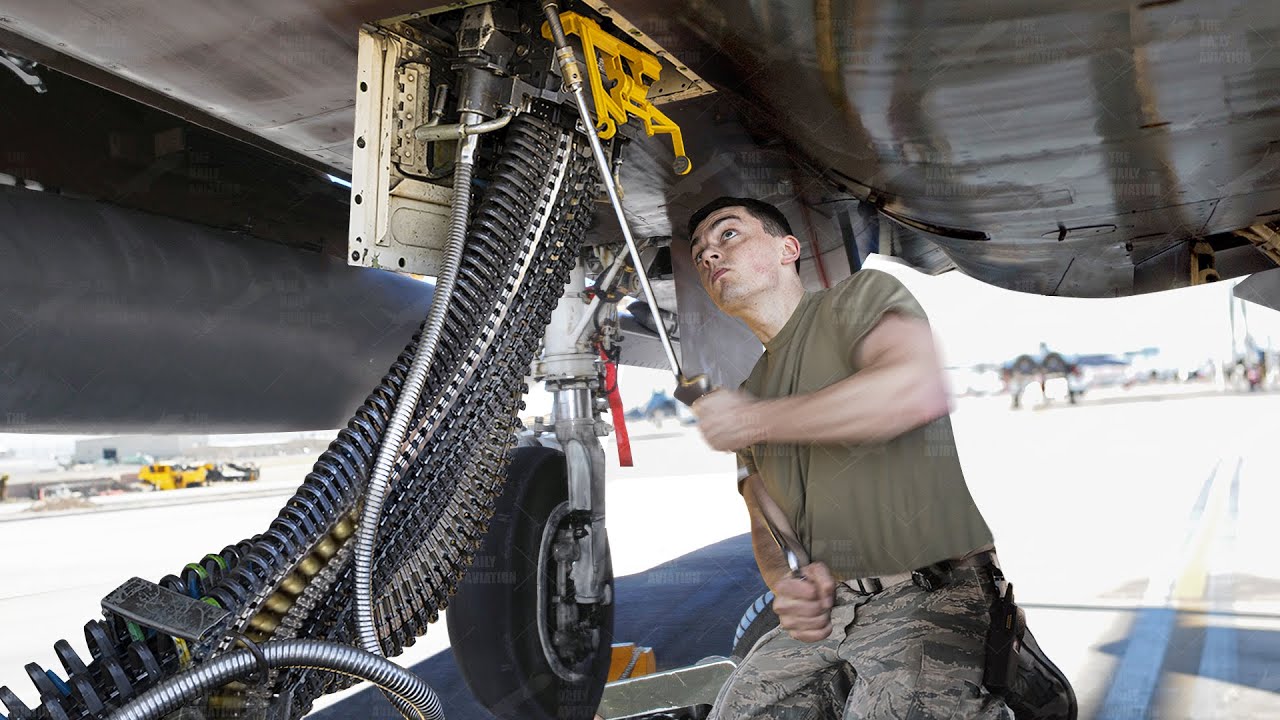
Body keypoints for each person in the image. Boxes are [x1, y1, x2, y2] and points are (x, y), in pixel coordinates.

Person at [686, 196, 1029, 719]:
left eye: (728, 235)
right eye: (700, 253)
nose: (710, 254)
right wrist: (789, 586)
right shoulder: (751, 389)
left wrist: (757, 422)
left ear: (787, 249)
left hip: (930, 596)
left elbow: (913, 389)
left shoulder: (860, 299)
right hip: (834, 613)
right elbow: (766, 520)